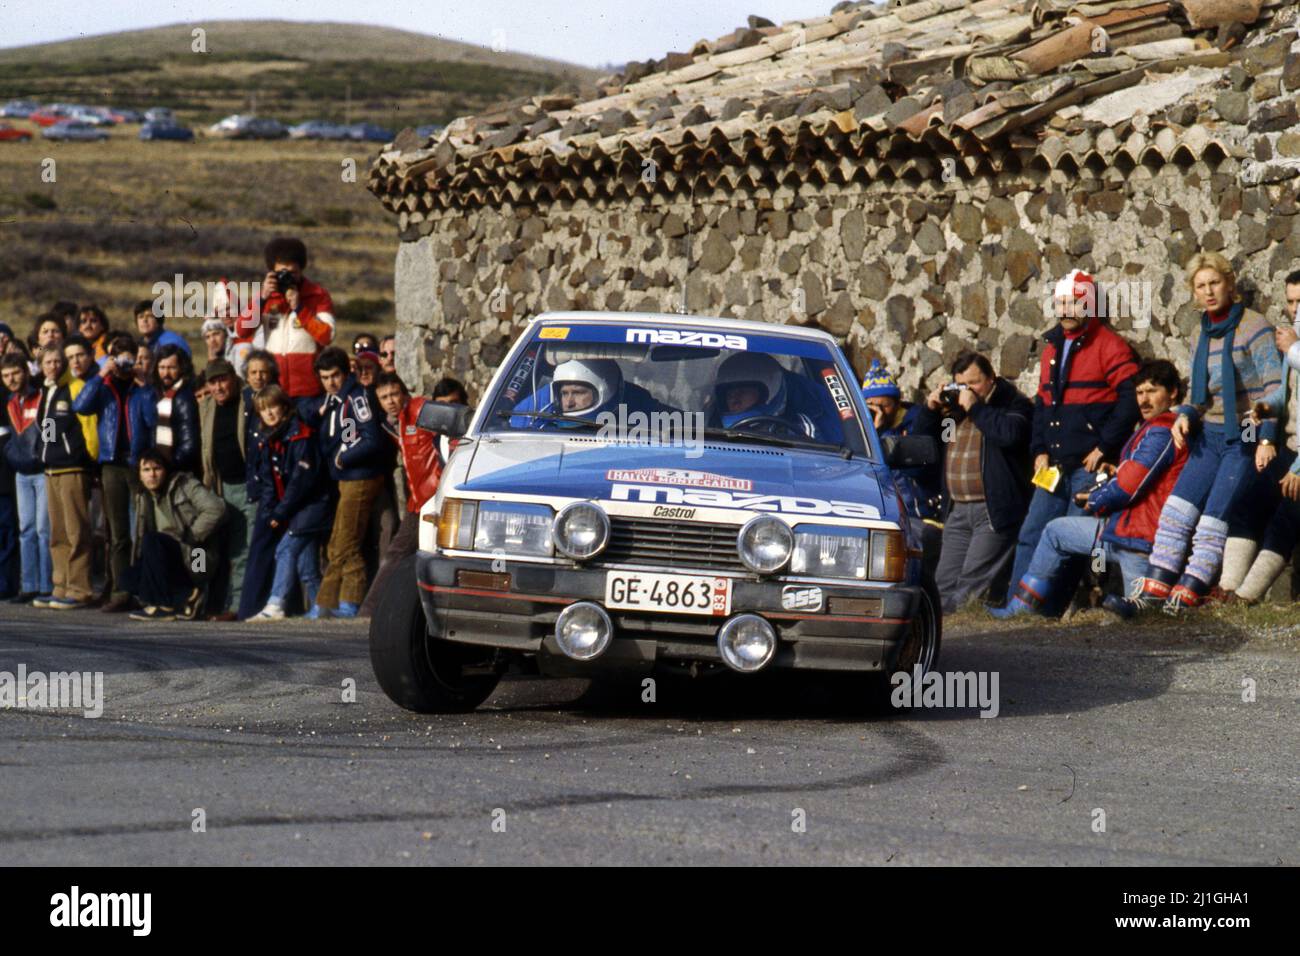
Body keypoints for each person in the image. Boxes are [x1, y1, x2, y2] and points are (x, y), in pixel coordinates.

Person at [1131, 253, 1283, 612]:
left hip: (1246, 426)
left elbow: (1275, 387)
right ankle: (1154, 586)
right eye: (1201, 286)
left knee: (1214, 515)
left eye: (1214, 282)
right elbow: (1202, 392)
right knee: (1177, 508)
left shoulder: (1254, 326)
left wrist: (1265, 438)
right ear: (1194, 293)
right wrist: (1184, 414)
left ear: (1229, 284)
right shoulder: (1203, 330)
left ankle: (1189, 589)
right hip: (1209, 431)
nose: (1209, 291)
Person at [994, 361, 1191, 619]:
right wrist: (1115, 473)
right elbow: (1134, 477)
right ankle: (1021, 610)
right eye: (1140, 393)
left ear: (1173, 392)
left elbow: (1129, 487)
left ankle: (1030, 610)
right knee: (1055, 532)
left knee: (1145, 621)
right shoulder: (1152, 427)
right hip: (1121, 532)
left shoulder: (1162, 431)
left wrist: (1096, 500)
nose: (1144, 400)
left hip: (1141, 540)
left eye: (1152, 391)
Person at [1005, 269, 1141, 611]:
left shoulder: (1110, 346)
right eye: (1061, 302)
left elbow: (1129, 402)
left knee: (1068, 543)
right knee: (1031, 534)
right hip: (1053, 464)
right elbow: (1042, 403)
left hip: (1086, 465)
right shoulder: (1051, 346)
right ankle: (1016, 609)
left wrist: (1104, 447)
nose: (1066, 309)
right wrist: (1038, 450)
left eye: (1075, 302)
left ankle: (1046, 612)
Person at [912, 350, 1034, 615]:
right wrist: (931, 412)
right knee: (943, 582)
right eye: (961, 385)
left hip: (993, 510)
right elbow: (924, 447)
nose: (967, 391)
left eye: (974, 383)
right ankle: (940, 627)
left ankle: (964, 629)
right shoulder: (953, 413)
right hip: (957, 509)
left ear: (991, 379)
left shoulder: (1013, 404)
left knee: (970, 585)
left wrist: (975, 407)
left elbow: (1010, 435)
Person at [359, 373, 459, 616]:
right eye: (384, 397)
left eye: (394, 394)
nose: (390, 400)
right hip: (419, 502)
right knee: (409, 556)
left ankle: (370, 611)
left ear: (404, 393)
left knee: (397, 556)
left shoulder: (420, 408)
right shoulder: (399, 420)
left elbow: (451, 438)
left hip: (432, 499)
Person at [1228, 271, 1300, 604]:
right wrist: (1266, 408)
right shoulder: (1293, 343)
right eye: (1290, 301)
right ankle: (1227, 591)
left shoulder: (1294, 345)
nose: (1295, 309)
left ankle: (1247, 597)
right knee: (1246, 503)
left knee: (1287, 517)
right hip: (1289, 444)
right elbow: (1287, 398)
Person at [301, 346, 384, 619]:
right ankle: (334, 603)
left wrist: (344, 457)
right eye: (324, 377)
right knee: (339, 542)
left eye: (335, 375)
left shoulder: (357, 397)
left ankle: (341, 602)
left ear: (346, 372)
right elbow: (307, 411)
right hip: (344, 480)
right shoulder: (334, 400)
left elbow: (371, 438)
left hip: (359, 477)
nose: (330, 382)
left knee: (346, 543)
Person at [72, 331, 146, 612]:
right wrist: (102, 373)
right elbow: (81, 406)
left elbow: (151, 417)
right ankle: (120, 590)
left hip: (140, 464)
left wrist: (144, 382)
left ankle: (141, 588)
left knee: (141, 528)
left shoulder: (141, 387)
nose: (124, 366)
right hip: (111, 463)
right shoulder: (104, 386)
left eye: (129, 359)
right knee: (117, 532)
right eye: (119, 358)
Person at [248, 386, 330, 620]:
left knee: (285, 549)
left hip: (312, 505)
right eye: (263, 410)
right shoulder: (269, 440)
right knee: (307, 566)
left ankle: (276, 604)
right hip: (294, 510)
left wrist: (279, 513)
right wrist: (269, 512)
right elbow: (267, 481)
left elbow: (300, 483)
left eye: (273, 406)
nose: (269, 413)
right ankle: (320, 609)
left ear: (284, 406)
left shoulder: (301, 435)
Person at [861, 359, 943, 578]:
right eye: (871, 405)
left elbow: (915, 469)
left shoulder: (916, 423)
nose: (879, 410)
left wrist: (880, 434)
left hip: (922, 513)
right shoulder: (862, 432)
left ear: (897, 402)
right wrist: (873, 431)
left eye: (885, 404)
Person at [125, 449, 227, 621]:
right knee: (127, 579)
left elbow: (217, 509)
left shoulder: (185, 484)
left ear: (165, 470)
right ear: (140, 474)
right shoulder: (143, 496)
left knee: (153, 541)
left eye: (157, 469)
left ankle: (165, 606)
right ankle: (187, 597)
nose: (152, 475)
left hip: (198, 553)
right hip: (170, 556)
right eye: (146, 470)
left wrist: (194, 534)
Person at [35, 345, 98, 608]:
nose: (54, 366)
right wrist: (44, 453)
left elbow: (88, 427)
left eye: (58, 361)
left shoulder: (74, 387)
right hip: (51, 469)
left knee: (76, 531)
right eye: (48, 362)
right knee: (57, 532)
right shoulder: (47, 391)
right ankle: (60, 585)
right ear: (41, 365)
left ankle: (80, 588)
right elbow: (46, 429)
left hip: (73, 468)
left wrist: (87, 458)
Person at [196, 359, 253, 621]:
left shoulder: (247, 401)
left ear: (233, 378)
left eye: (223, 380)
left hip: (247, 486)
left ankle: (239, 604)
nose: (219, 387)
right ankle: (210, 602)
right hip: (218, 487)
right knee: (215, 549)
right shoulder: (205, 407)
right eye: (213, 382)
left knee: (242, 549)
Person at [248, 237, 334, 401]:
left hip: (309, 391)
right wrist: (263, 297)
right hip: (273, 389)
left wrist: (300, 309)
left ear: (301, 270)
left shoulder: (318, 295)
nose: (287, 278)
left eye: (292, 273)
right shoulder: (266, 297)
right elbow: (242, 329)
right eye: (282, 273)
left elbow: (327, 336)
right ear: (272, 271)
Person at [235, 349, 283, 620]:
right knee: (252, 548)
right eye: (253, 372)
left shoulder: (277, 401)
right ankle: (247, 607)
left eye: (263, 371)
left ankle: (252, 608)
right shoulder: (244, 401)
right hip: (254, 486)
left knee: (266, 549)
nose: (258, 377)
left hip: (273, 489)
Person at [2, 354, 51, 603]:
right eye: (6, 375)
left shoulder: (42, 396)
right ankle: (29, 585)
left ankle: (46, 586)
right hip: (21, 473)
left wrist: (45, 454)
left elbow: (50, 429)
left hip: (42, 471)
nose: (12, 379)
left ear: (26, 372)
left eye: (16, 373)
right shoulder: (9, 402)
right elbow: (7, 436)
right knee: (26, 529)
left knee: (44, 530)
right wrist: (11, 454)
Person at [143, 344, 200, 474]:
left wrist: (169, 464)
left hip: (178, 469)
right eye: (162, 367)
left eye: (171, 368)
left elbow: (189, 444)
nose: (166, 373)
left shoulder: (184, 397)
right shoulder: (157, 394)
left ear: (181, 369)